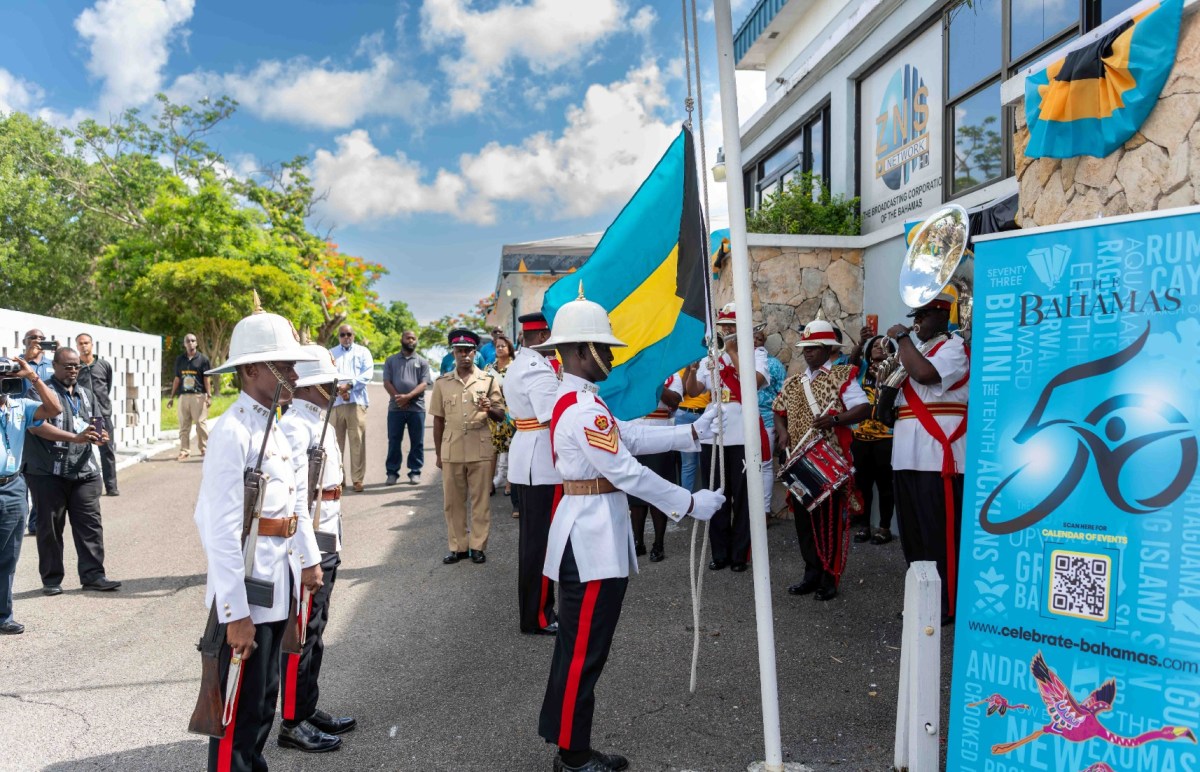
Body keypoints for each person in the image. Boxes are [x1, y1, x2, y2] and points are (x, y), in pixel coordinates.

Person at [535, 286, 725, 772]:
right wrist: (688, 502)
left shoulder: (582, 401)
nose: (610, 357)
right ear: (579, 352)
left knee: (580, 648)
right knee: (584, 652)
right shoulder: (581, 407)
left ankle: (569, 744)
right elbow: (627, 470)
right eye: (603, 349)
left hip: (590, 531)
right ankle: (573, 756)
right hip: (591, 539)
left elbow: (627, 434)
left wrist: (690, 433)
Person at [193, 307, 324, 772]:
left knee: (262, 701)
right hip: (247, 590)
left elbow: (292, 509)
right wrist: (235, 614)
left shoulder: (272, 423)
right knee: (237, 715)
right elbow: (221, 531)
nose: (294, 373)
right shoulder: (233, 430)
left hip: (276, 580)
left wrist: (307, 562)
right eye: (282, 365)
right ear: (250, 370)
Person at [277, 345, 356, 753]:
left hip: (327, 529)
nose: (335, 387)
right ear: (312, 386)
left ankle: (305, 707)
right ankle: (291, 721)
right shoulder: (295, 425)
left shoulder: (315, 420)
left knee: (317, 627)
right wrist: (307, 556)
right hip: (309, 539)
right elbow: (295, 501)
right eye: (328, 382)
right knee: (302, 632)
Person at [773, 319, 871, 602]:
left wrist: (835, 419)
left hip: (828, 460)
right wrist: (782, 434)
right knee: (804, 521)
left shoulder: (841, 376)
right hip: (798, 461)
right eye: (805, 347)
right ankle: (811, 573)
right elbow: (779, 410)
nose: (808, 353)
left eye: (814, 347)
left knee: (828, 521)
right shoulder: (793, 382)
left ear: (828, 348)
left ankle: (830, 577)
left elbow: (863, 408)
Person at [886, 292, 968, 624]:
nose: (915, 322)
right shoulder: (917, 349)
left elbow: (924, 375)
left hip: (939, 455)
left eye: (920, 316)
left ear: (941, 314)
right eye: (913, 317)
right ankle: (921, 598)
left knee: (940, 535)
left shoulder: (953, 348)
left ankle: (946, 603)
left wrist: (903, 338)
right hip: (907, 453)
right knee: (914, 536)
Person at [24, 347, 122, 595]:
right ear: (54, 366)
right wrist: (75, 438)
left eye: (76, 366)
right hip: (48, 472)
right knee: (50, 528)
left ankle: (94, 576)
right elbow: (37, 427)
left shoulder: (86, 394)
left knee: (90, 525)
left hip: (85, 472)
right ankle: (51, 580)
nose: (73, 370)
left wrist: (99, 436)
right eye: (68, 366)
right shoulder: (39, 391)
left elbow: (96, 423)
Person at [683, 302, 769, 573]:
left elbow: (753, 383)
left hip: (742, 433)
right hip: (715, 434)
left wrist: (733, 352)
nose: (728, 331)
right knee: (717, 494)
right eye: (724, 328)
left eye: (732, 327)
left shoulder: (756, 354)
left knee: (743, 497)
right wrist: (691, 369)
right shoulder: (713, 357)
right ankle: (720, 552)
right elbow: (694, 390)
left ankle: (740, 554)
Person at [503, 312, 562, 635]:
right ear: (541, 337)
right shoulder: (538, 370)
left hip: (527, 455)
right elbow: (552, 417)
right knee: (540, 545)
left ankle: (536, 612)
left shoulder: (519, 363)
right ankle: (538, 616)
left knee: (532, 543)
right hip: (542, 463)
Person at [428, 328, 505, 565]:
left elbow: (501, 415)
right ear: (453, 353)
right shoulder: (442, 383)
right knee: (452, 501)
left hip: (480, 446)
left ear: (475, 353)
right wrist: (440, 453)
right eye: (459, 351)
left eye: (468, 351)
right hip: (452, 447)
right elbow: (438, 420)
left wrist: (488, 408)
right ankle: (458, 546)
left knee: (480, 500)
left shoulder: (488, 380)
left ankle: (478, 546)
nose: (464, 355)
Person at [0, 358, 62, 634]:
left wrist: (32, 377)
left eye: (6, 376)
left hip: (13, 485)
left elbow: (54, 408)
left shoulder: (19, 404)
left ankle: (3, 616)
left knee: (8, 557)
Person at [847, 328, 897, 545]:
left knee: (886, 486)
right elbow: (850, 363)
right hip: (860, 438)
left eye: (884, 346)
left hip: (886, 438)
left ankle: (884, 528)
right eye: (875, 345)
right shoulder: (861, 370)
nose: (879, 348)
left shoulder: (896, 370)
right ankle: (864, 526)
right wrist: (861, 342)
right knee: (862, 485)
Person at [628, 373, 683, 562]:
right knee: (635, 493)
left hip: (660, 437)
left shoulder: (671, 374)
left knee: (658, 492)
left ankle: (658, 544)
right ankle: (638, 541)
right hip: (634, 433)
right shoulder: (632, 370)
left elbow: (675, 401)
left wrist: (653, 381)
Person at [383, 330, 430, 486]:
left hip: (416, 408)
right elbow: (387, 382)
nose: (411, 340)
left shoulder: (422, 361)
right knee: (394, 441)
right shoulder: (391, 360)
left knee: (417, 442)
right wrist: (399, 399)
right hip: (395, 409)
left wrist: (408, 397)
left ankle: (415, 472)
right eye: (408, 337)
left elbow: (424, 384)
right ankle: (392, 473)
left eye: (413, 338)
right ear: (401, 339)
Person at [329, 325, 374, 493]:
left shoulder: (363, 352)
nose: (346, 337)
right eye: (342, 334)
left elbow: (367, 374)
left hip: (356, 402)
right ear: (338, 336)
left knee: (357, 442)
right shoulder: (331, 353)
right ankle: (338, 479)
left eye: (349, 334)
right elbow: (327, 374)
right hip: (337, 404)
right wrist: (340, 390)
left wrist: (349, 386)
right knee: (335, 444)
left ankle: (357, 480)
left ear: (353, 335)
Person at [20, 329, 55, 536]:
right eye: (32, 338)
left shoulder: (52, 365)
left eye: (41, 339)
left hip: (46, 424)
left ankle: (35, 522)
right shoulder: (18, 363)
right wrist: (26, 359)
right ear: (24, 342)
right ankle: (18, 519)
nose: (37, 341)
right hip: (21, 424)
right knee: (21, 474)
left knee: (41, 475)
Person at [75, 332, 119, 496]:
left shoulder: (103, 365)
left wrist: (103, 408)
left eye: (86, 343)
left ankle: (111, 487)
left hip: (101, 416)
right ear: (77, 346)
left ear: (92, 345)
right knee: (81, 449)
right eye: (80, 343)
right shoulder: (76, 367)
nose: (84, 346)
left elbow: (108, 385)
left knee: (106, 451)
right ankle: (83, 487)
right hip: (83, 416)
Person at [754, 326, 786, 514]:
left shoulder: (773, 365)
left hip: (766, 419)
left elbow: (782, 393)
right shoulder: (739, 361)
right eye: (753, 338)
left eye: (759, 338)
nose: (756, 341)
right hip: (739, 420)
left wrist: (781, 424)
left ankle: (764, 511)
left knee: (765, 465)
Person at [168, 333, 213, 462]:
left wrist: (208, 396)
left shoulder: (203, 359)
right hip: (184, 396)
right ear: (184, 344)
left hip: (198, 396)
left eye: (193, 341)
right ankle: (184, 451)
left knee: (200, 423)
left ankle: (204, 449)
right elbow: (177, 378)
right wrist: (172, 397)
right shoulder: (180, 360)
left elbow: (206, 378)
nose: (190, 343)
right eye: (188, 341)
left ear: (196, 343)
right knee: (184, 424)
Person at [485, 334, 517, 508]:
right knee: (492, 449)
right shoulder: (489, 367)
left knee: (511, 448)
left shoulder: (515, 367)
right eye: (497, 346)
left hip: (510, 412)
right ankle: (489, 483)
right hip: (493, 411)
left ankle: (509, 483)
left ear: (509, 349)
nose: (499, 348)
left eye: (503, 346)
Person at [673, 361, 709, 493]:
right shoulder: (685, 364)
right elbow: (680, 392)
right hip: (685, 414)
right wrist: (690, 369)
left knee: (706, 462)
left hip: (705, 415)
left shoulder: (710, 365)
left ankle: (705, 502)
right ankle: (686, 502)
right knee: (688, 464)